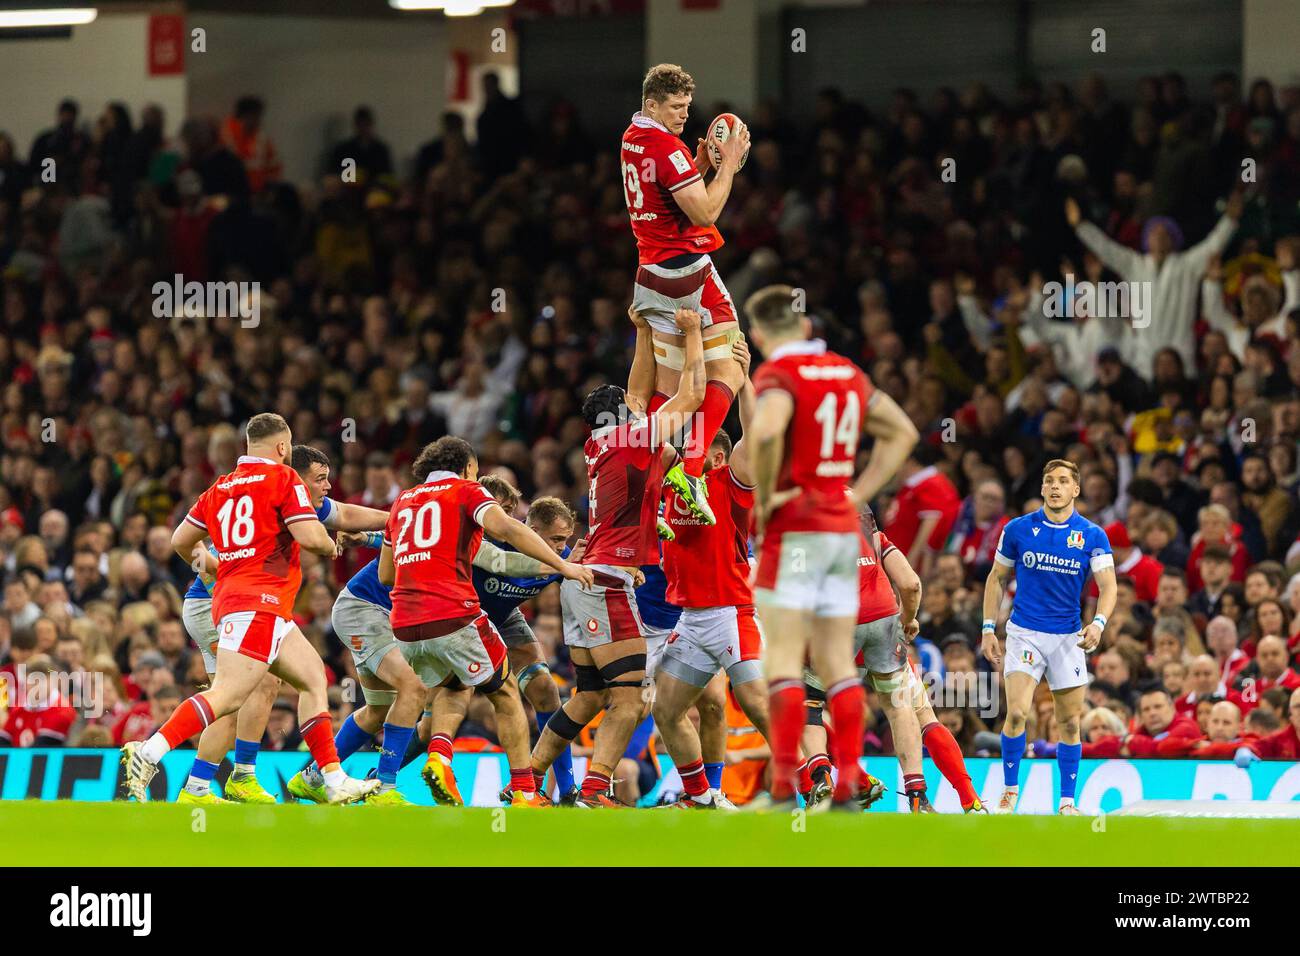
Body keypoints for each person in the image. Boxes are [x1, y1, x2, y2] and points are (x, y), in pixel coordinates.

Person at [122, 413, 378, 805]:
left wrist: (213, 566)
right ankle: (149, 753)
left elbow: (180, 540)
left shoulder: (220, 488)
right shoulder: (284, 478)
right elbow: (312, 538)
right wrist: (332, 546)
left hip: (247, 602)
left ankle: (331, 776)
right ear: (282, 448)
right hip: (256, 603)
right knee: (227, 695)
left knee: (312, 678)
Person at [743, 284, 918, 810]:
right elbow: (903, 432)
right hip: (841, 531)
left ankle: (781, 787)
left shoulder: (777, 375)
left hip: (796, 531)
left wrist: (770, 498)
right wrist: (858, 494)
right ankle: (845, 784)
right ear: (803, 326)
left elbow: (769, 432)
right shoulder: (846, 371)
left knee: (785, 659)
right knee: (840, 665)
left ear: (758, 334)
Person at [526, 306, 707, 807]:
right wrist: (691, 334)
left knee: (587, 697)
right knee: (628, 699)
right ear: (628, 416)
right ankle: (593, 789)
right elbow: (690, 396)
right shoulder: (635, 437)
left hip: (585, 581)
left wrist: (644, 332)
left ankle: (524, 785)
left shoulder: (603, 442)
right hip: (607, 581)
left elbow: (636, 393)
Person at [377, 436, 592, 808]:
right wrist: (563, 565)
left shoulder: (402, 502)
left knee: (456, 686)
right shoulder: (466, 492)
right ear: (468, 467)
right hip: (454, 614)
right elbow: (508, 530)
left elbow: (385, 574)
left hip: (406, 624)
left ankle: (437, 758)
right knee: (506, 694)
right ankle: (525, 790)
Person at [177, 443, 389, 805]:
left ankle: (205, 784)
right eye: (320, 479)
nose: (327, 487)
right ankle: (211, 773)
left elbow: (346, 515)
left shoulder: (296, 499)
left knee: (254, 689)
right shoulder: (280, 492)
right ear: (297, 476)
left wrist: (397, 516)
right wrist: (213, 574)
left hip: (239, 604)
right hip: (218, 602)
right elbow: (189, 545)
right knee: (241, 691)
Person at [621, 63, 751, 524]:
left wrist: (694, 168)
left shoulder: (632, 137)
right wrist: (728, 164)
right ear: (652, 104)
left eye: (687, 107)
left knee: (670, 391)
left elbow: (664, 196)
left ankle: (649, 487)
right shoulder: (664, 146)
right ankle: (691, 470)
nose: (683, 116)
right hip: (686, 272)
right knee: (733, 367)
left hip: (650, 273)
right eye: (675, 108)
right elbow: (706, 213)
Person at [655, 337, 769, 810]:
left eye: (699, 454)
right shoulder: (670, 490)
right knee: (666, 710)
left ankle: (832, 777)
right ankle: (701, 798)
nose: (688, 459)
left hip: (729, 612)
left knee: (762, 708)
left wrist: (742, 383)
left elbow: (756, 437)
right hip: (692, 618)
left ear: (719, 459)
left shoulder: (729, 485)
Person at [982, 459, 1117, 815]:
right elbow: (996, 578)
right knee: (1017, 713)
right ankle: (1010, 792)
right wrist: (987, 628)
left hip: (1068, 638)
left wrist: (1099, 624)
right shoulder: (1017, 529)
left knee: (1070, 722)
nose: (1054, 487)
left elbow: (1108, 586)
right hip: (1024, 633)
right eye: (1048, 481)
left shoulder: (1092, 535)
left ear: (1076, 489)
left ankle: (1068, 803)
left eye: (1062, 481)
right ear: (1042, 488)